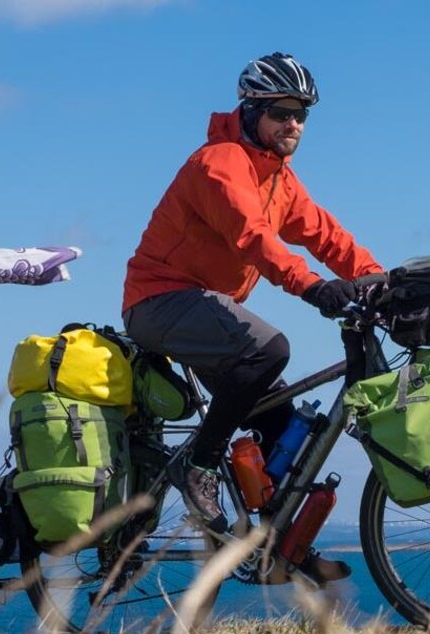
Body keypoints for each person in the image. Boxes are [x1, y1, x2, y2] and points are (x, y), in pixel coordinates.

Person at [122, 52, 383, 581]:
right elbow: (252, 236)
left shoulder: (279, 179)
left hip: (209, 312)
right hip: (160, 300)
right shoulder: (218, 163)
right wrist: (310, 285)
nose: (294, 124)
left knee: (282, 422)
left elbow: (324, 234)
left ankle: (281, 546)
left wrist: (381, 281)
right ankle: (196, 466)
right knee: (269, 349)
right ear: (251, 110)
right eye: (282, 112)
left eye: (302, 115)